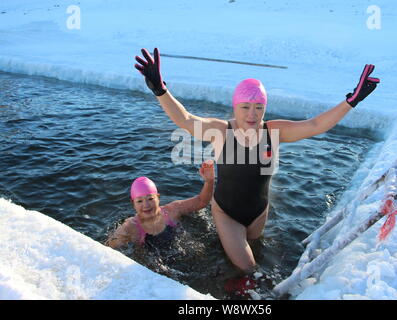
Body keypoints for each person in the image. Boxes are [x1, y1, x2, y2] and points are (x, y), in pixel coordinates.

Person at [134, 48, 380, 277]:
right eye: (245, 107)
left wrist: (351, 101)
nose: (252, 114)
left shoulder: (274, 132)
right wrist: (160, 90)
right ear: (235, 106)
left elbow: (314, 126)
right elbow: (186, 119)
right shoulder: (222, 131)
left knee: (252, 249)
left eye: (259, 107)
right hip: (227, 212)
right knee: (248, 268)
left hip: (259, 212)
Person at [105, 160, 215, 249]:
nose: (146, 205)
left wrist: (209, 181)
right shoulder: (130, 227)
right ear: (133, 203)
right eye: (139, 201)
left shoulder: (173, 210)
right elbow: (108, 249)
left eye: (150, 199)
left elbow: (202, 201)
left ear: (158, 198)